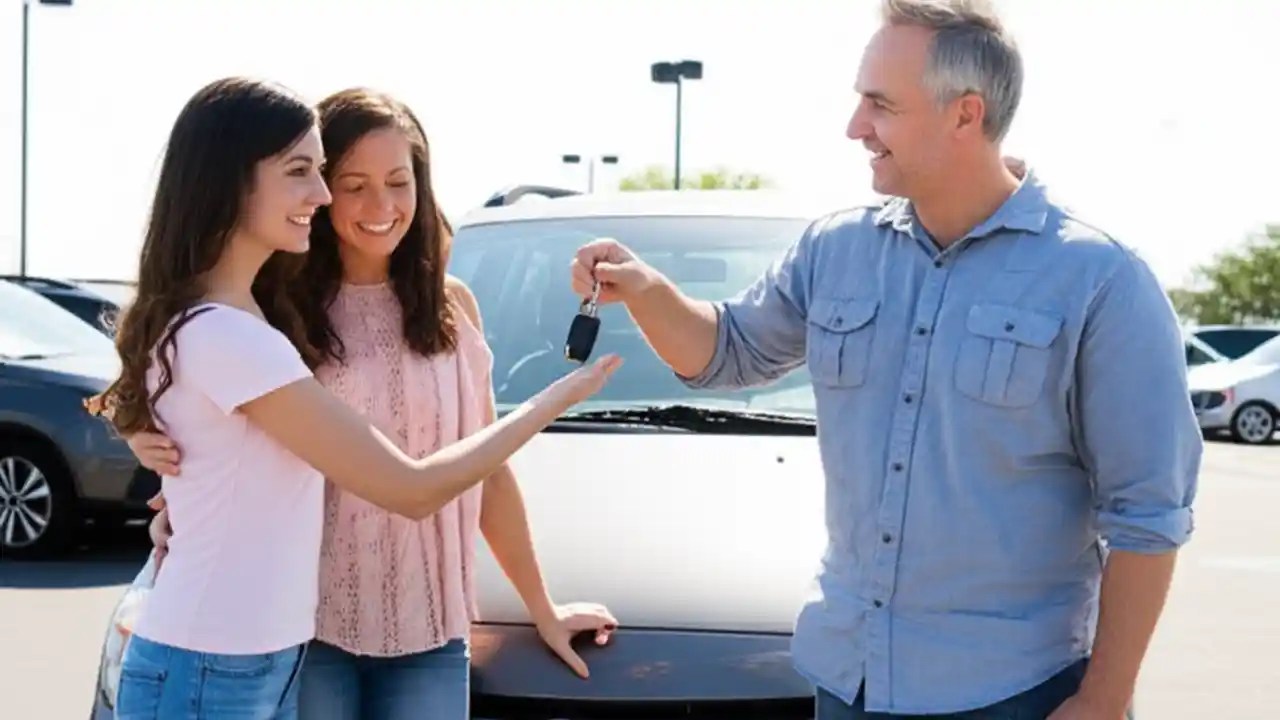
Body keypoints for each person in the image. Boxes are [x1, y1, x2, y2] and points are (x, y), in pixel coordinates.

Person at [569, 1, 1199, 718]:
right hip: (849, 681)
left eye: (880, 104)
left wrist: (1105, 698)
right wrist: (646, 290)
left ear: (965, 115)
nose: (854, 126)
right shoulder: (835, 250)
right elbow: (727, 352)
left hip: (1013, 695)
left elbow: (1148, 516)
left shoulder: (1103, 282)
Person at [91, 77, 620, 720]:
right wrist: (145, 436)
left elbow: (487, 472)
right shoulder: (275, 312)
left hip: (428, 625)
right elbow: (169, 372)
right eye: (349, 182)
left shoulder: (451, 309)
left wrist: (543, 608)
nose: (380, 203)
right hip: (310, 632)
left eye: (399, 180)